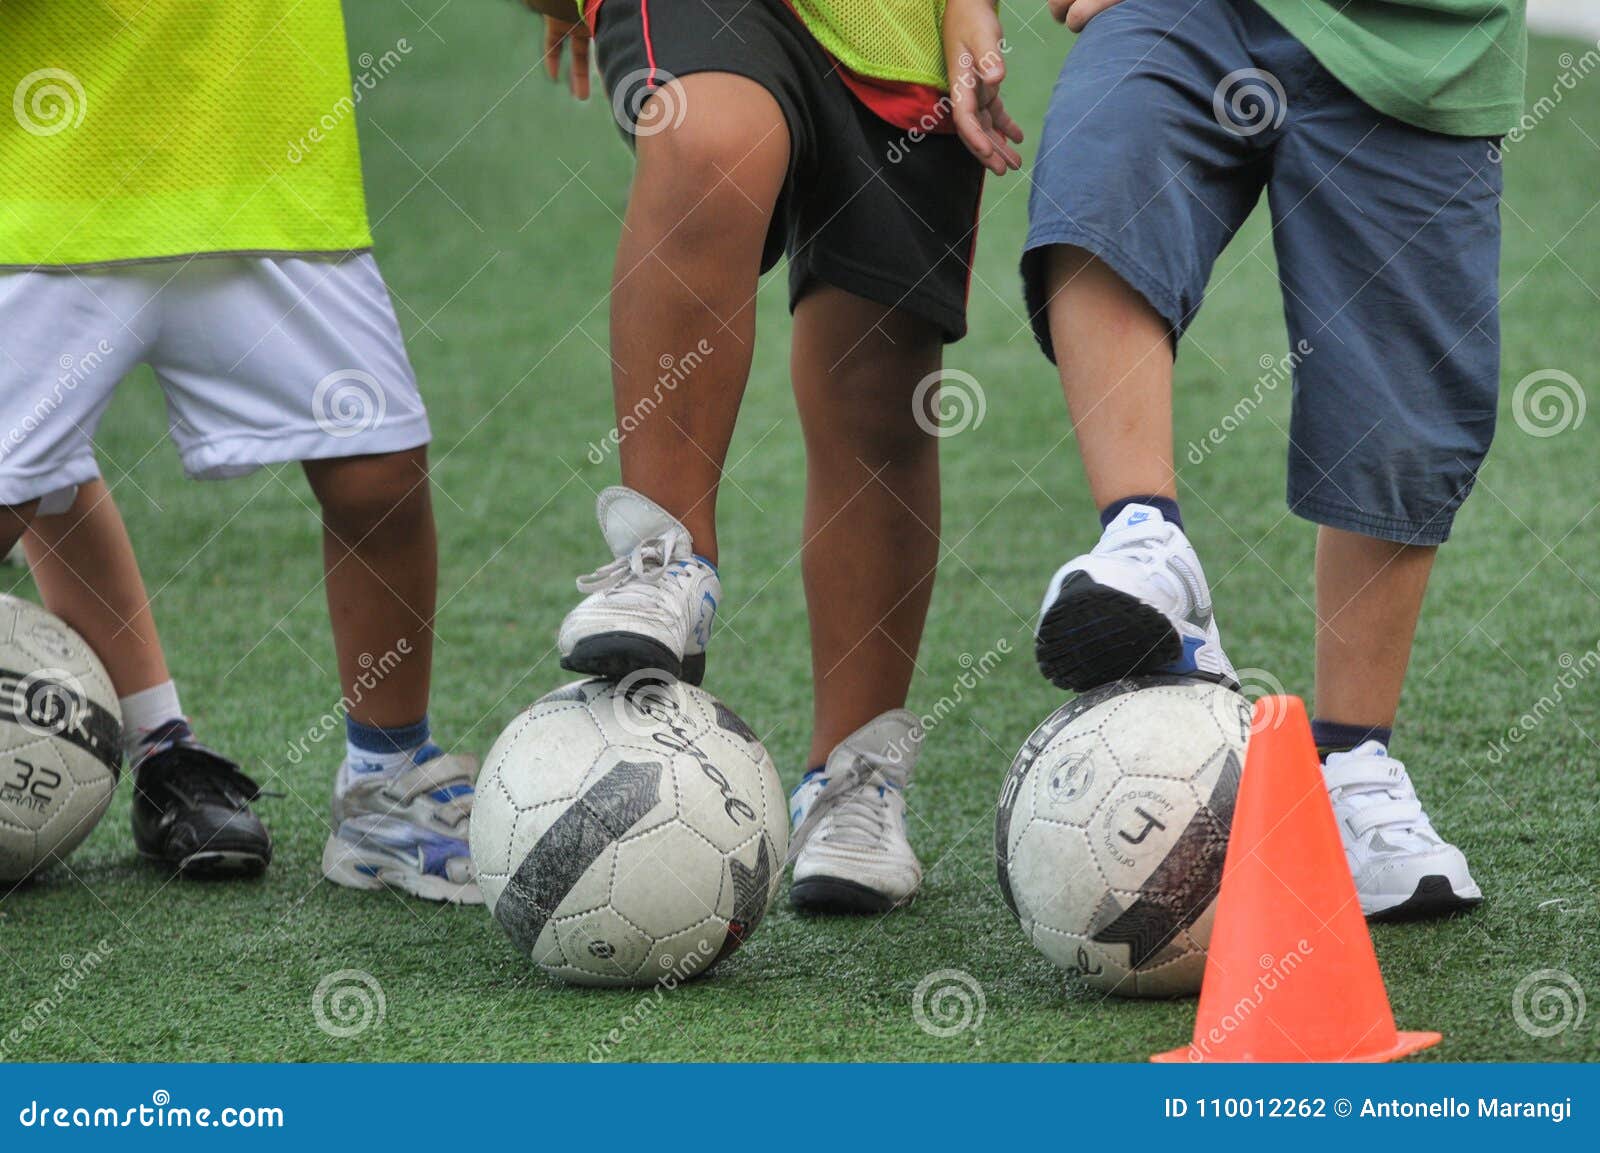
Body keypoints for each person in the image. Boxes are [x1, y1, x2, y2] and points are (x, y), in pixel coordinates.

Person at [1015, 0, 1524, 917]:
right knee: (1104, 163)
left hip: (1421, 34)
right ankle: (1145, 539)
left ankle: (1353, 764)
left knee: (1406, 404)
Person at [528, 0, 1021, 912]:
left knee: (879, 380)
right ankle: (665, 555)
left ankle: (854, 778)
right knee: (706, 141)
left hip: (897, 24)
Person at [0, 0, 479, 902]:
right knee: (20, 483)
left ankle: (384, 783)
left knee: (377, 466)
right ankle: (160, 738)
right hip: (38, 185)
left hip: (268, 158)